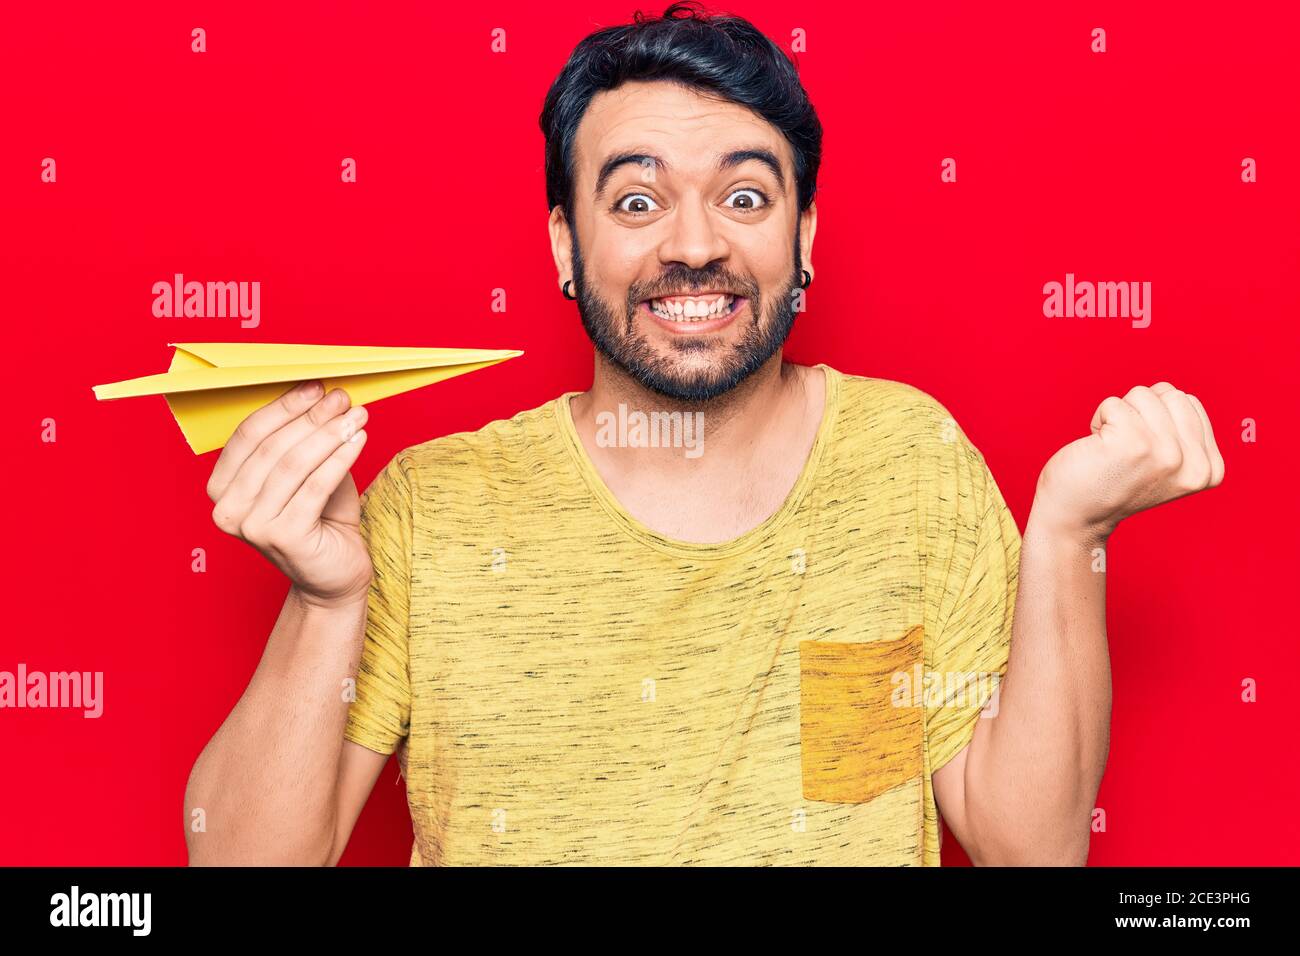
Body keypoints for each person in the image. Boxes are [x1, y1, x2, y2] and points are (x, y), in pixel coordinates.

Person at [183, 2, 1224, 866]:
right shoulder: (436, 503)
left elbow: (1028, 847)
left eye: (742, 194)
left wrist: (1069, 535)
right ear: (564, 242)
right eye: (636, 199)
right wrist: (326, 602)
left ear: (802, 235)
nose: (694, 244)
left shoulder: (904, 466)